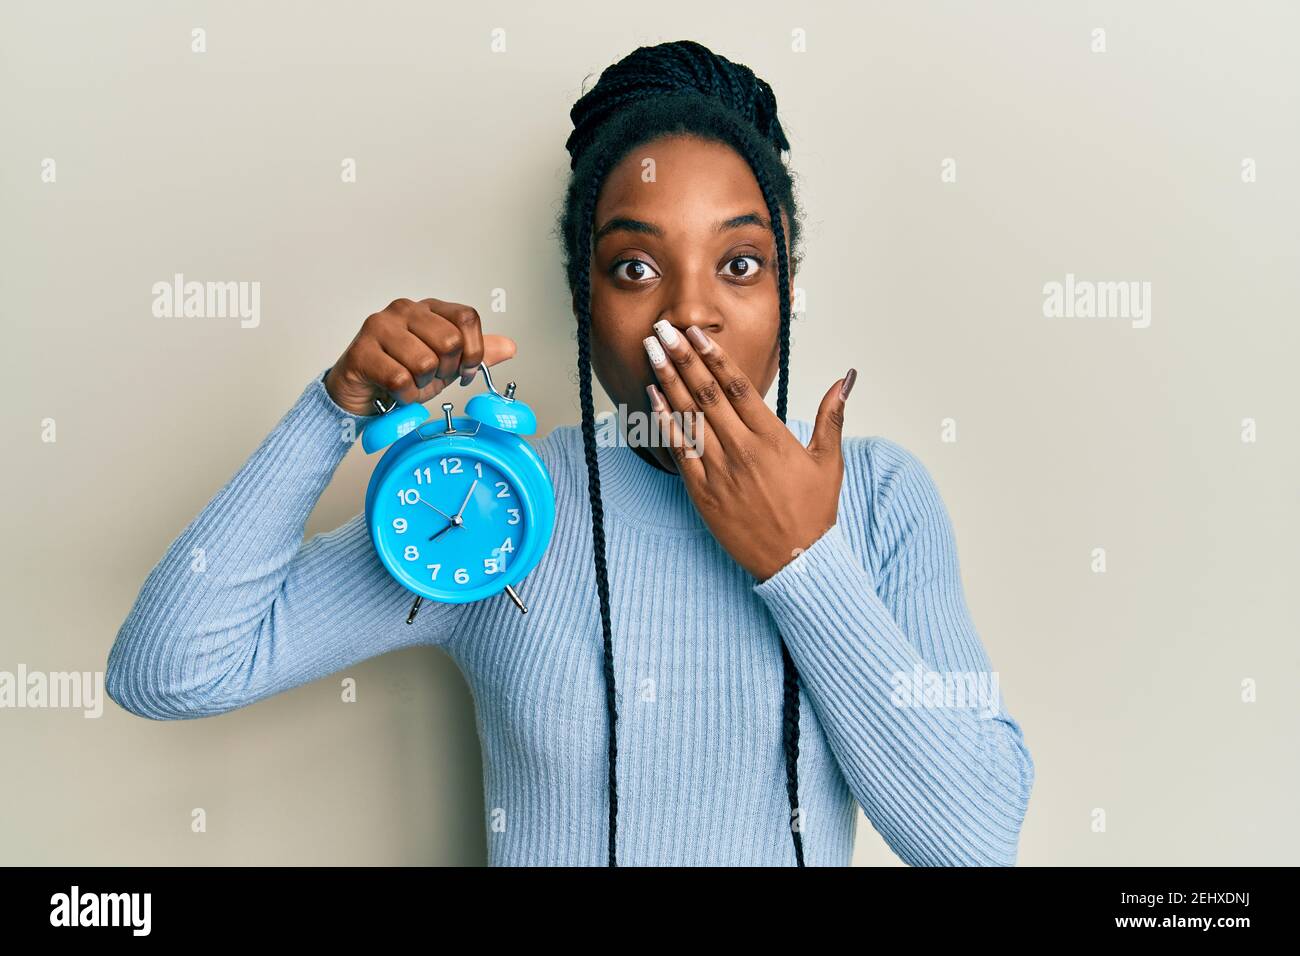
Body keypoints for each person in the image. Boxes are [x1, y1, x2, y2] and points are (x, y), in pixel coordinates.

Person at [107, 39, 1034, 867]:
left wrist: (800, 559)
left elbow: (977, 843)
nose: (690, 312)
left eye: (740, 263)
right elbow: (172, 670)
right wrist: (333, 408)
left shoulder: (876, 499)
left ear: (787, 284)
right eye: (635, 268)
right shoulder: (501, 499)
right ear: (584, 299)